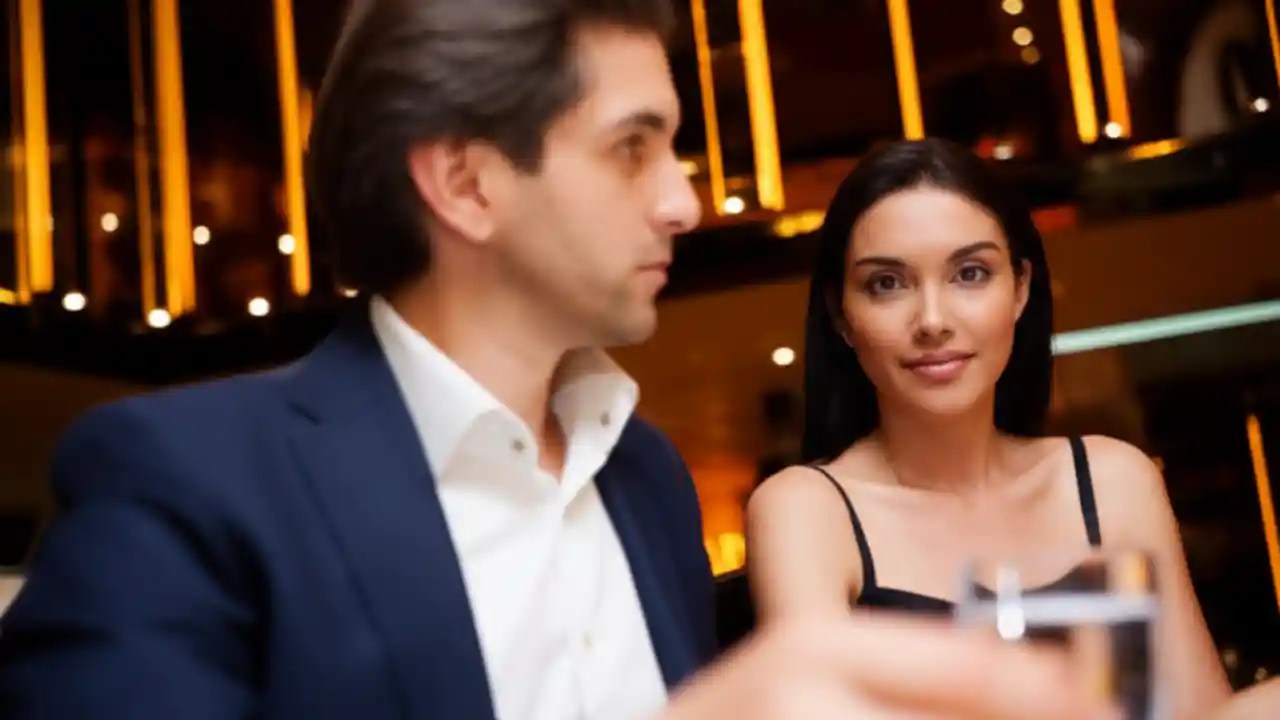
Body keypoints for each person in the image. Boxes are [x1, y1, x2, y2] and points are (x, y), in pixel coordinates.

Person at [1, 2, 1123, 719]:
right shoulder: (183, 482)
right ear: (465, 182)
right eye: (633, 148)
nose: (685, 198)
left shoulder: (645, 482)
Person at [746, 138, 1234, 718]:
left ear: (1021, 288)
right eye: (887, 284)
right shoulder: (806, 510)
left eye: (970, 273)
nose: (932, 321)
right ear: (840, 315)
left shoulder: (1109, 480)